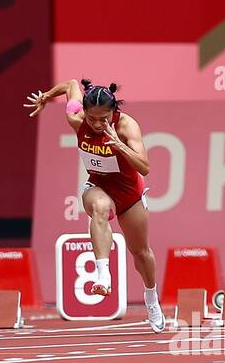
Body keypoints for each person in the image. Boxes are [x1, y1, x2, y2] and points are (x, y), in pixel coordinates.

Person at [24, 79, 164, 333]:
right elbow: (70, 85)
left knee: (141, 252)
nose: (98, 124)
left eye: (104, 118)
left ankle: (152, 300)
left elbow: (144, 166)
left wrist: (119, 145)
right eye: (93, 119)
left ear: (114, 112)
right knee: (98, 207)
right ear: (83, 113)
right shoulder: (76, 117)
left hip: (129, 193)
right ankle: (103, 275)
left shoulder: (126, 126)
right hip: (98, 186)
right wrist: (45, 96)